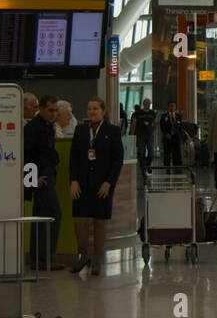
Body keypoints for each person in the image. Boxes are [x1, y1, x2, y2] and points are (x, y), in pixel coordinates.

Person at [68, 97, 124, 276]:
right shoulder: (80, 130)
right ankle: (83, 255)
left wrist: (109, 183)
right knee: (80, 221)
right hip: (82, 184)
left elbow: (117, 160)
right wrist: (73, 180)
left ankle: (97, 260)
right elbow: (74, 158)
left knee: (100, 222)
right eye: (89, 108)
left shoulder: (112, 131)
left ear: (103, 111)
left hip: (103, 184)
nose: (91, 112)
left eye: (95, 109)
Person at [23, 93, 62, 269]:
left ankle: (38, 258)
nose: (54, 114)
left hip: (45, 174)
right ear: (42, 109)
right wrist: (32, 179)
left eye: (56, 111)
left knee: (41, 216)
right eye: (50, 110)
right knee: (52, 215)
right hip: (41, 177)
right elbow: (27, 155)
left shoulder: (47, 126)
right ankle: (44, 258)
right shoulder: (34, 128)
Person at [132, 98, 156, 172]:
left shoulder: (152, 113)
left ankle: (148, 164)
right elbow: (134, 123)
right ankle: (142, 167)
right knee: (141, 153)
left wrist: (153, 130)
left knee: (151, 152)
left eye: (149, 103)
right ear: (143, 104)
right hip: (140, 135)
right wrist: (132, 134)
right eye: (146, 103)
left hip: (149, 135)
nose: (147, 105)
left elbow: (154, 123)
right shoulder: (138, 113)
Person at [160, 100, 182, 167]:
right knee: (167, 153)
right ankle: (167, 167)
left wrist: (176, 132)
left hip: (176, 137)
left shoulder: (178, 116)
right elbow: (162, 126)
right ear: (168, 107)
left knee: (177, 153)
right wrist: (166, 134)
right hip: (167, 137)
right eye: (170, 106)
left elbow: (180, 126)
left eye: (173, 106)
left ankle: (177, 166)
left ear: (175, 107)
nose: (172, 107)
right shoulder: (164, 116)